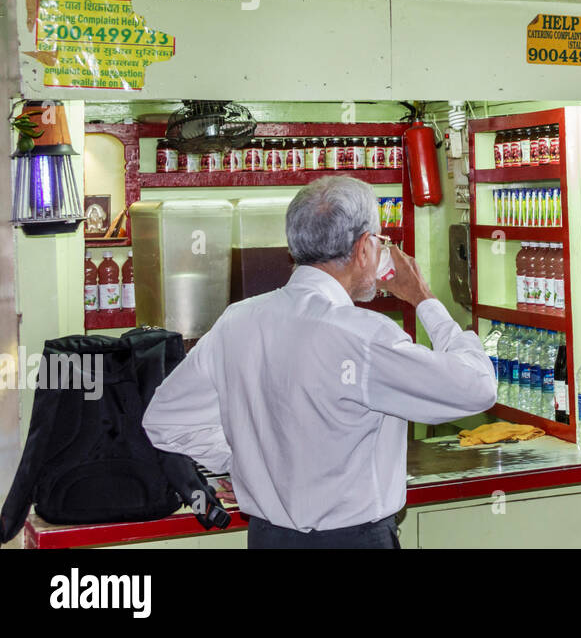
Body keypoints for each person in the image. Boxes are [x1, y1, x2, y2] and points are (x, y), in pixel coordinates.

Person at [142, 176, 497, 549]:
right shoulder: (364, 336)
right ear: (364, 249)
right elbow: (477, 387)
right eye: (380, 243)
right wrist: (424, 298)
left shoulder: (238, 320)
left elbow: (165, 420)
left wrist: (243, 461)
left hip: (267, 539)